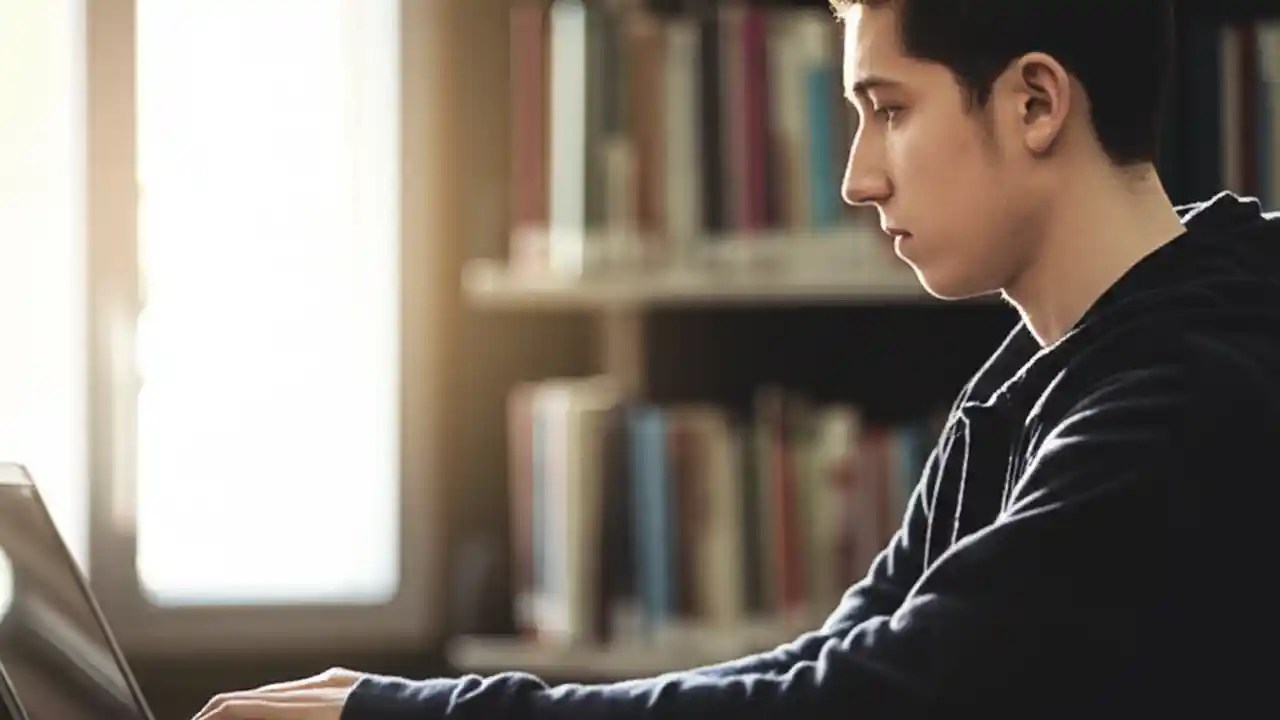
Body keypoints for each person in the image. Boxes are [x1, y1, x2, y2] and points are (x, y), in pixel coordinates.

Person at [193, 0, 1280, 717]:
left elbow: (864, 703)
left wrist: (404, 713)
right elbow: (824, 665)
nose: (857, 178)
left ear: (1035, 102)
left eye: (886, 111)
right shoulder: (1030, 380)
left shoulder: (1177, 403)